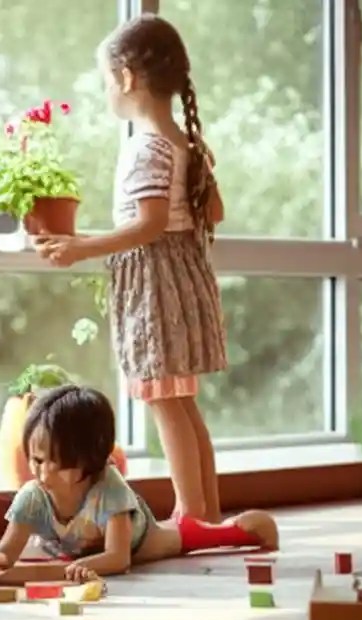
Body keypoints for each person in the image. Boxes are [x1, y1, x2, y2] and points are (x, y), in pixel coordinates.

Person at [31, 15, 227, 523]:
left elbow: (149, 224)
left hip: (156, 286)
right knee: (181, 402)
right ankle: (206, 511)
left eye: (104, 81)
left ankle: (189, 513)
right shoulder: (186, 144)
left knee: (165, 402)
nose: (106, 92)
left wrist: (80, 246)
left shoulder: (146, 147)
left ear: (124, 77)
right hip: (183, 277)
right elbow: (213, 213)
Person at [0, 385, 278, 584]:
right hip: (75, 552)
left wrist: (34, 574)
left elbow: (118, 558)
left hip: (141, 543)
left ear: (92, 460)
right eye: (37, 460)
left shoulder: (109, 489)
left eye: (60, 466)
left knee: (190, 537)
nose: (45, 475)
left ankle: (237, 528)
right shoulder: (32, 496)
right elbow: (7, 550)